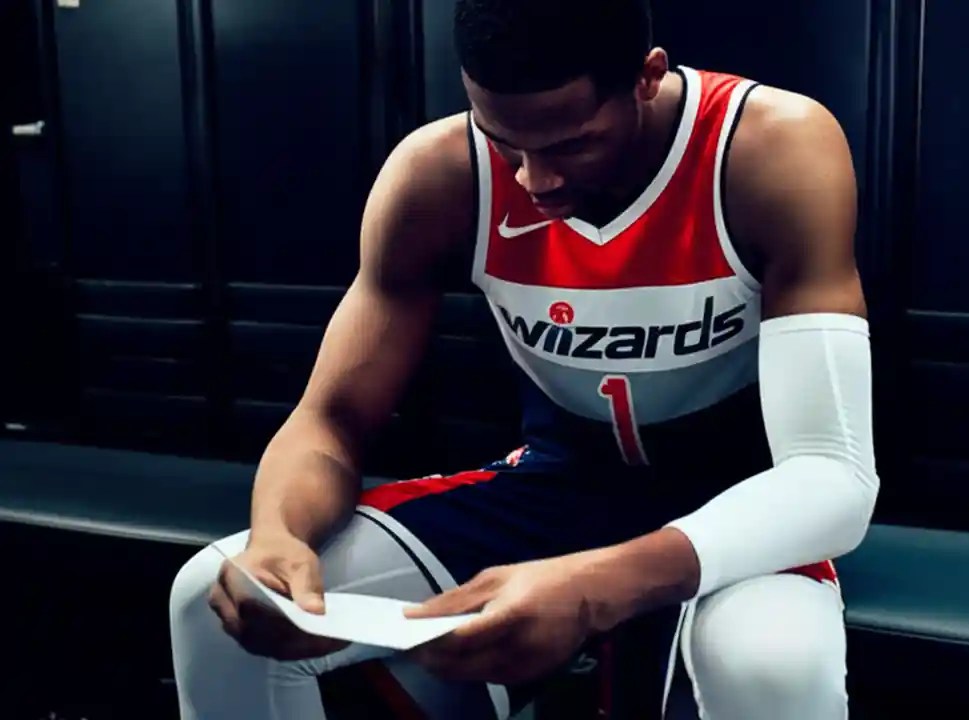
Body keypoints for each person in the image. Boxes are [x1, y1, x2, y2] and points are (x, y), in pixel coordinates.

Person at [168, 0, 879, 717]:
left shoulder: (768, 147)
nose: (535, 181)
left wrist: (593, 586)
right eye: (503, 138)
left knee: (774, 669)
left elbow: (832, 476)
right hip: (557, 487)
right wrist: (277, 535)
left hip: (730, 507)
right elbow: (331, 418)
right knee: (211, 597)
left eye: (571, 145)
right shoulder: (438, 175)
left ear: (647, 77)